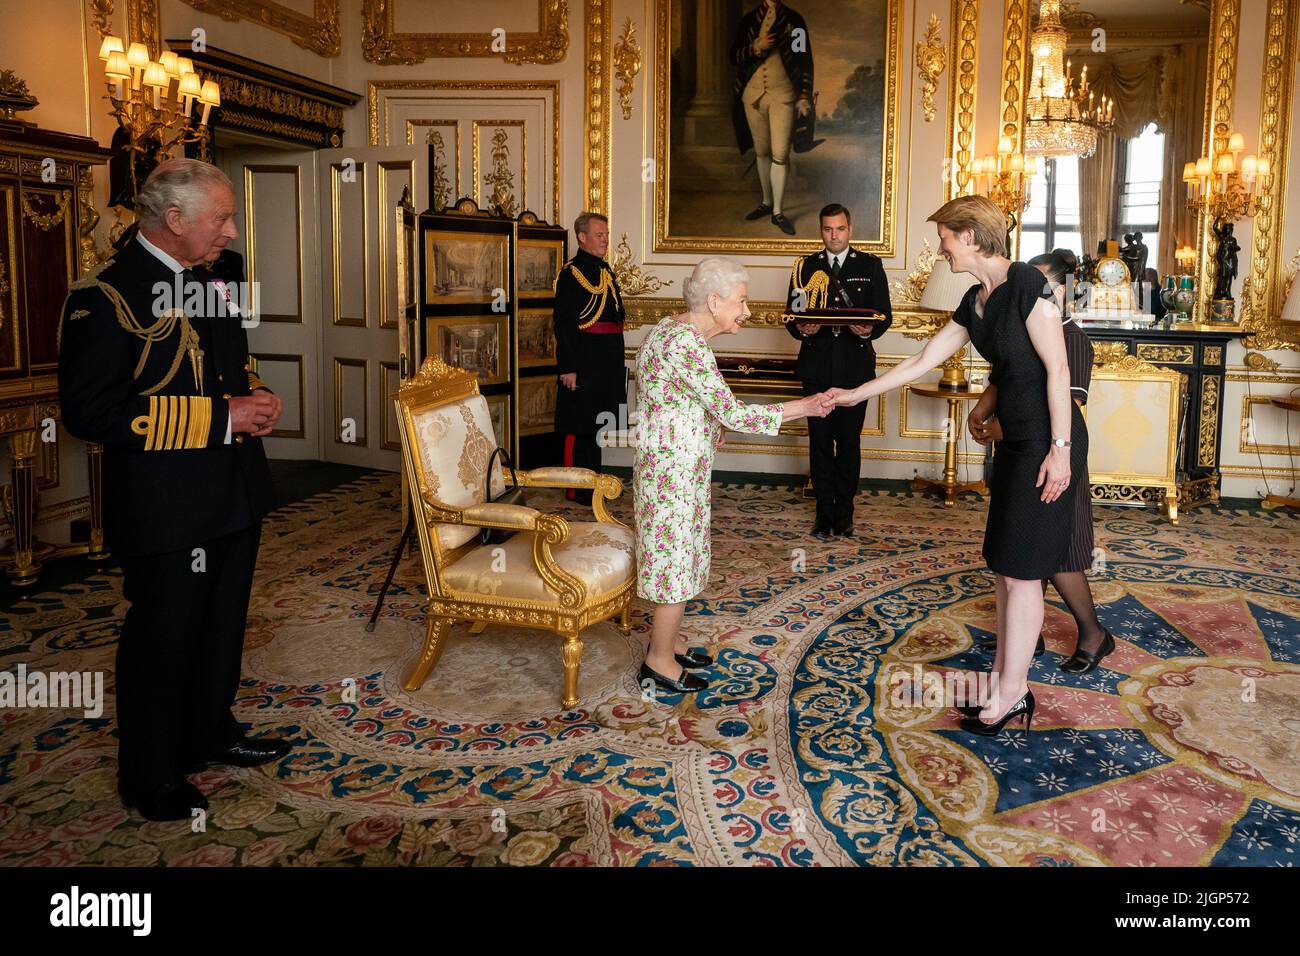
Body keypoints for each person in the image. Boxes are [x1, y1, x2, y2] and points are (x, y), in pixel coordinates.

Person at [58, 158, 288, 821]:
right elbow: (90, 412)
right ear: (175, 219)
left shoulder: (218, 275)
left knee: (222, 621)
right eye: (222, 218)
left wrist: (256, 397)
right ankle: (150, 772)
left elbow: (227, 359)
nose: (233, 230)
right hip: (165, 502)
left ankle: (210, 732)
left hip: (234, 486)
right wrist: (222, 417)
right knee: (163, 633)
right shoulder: (104, 295)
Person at [826, 196, 1088, 736]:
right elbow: (924, 359)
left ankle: (1014, 694)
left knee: (1023, 575)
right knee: (1004, 567)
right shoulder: (977, 298)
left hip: (1047, 440)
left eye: (945, 237)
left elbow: (1059, 370)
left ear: (970, 236)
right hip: (1014, 439)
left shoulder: (1027, 287)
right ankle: (1002, 681)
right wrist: (856, 393)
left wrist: (1060, 448)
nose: (940, 247)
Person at [634, 257, 831, 693]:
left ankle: (670, 639)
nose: (746, 312)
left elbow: (671, 401)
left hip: (670, 465)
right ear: (713, 300)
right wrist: (805, 406)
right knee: (674, 564)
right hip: (673, 473)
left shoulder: (670, 330)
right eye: (741, 302)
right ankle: (658, 660)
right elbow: (733, 412)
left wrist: (706, 428)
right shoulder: (686, 344)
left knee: (680, 554)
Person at [964, 248, 1114, 692]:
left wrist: (999, 429)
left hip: (1057, 454)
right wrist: (983, 409)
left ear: (1061, 290)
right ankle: (1026, 642)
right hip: (1022, 449)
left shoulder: (1073, 338)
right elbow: (1004, 376)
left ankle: (1093, 634)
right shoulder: (1022, 316)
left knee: (1063, 554)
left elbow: (1060, 406)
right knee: (1025, 557)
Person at [786, 203, 893, 537]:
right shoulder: (804, 267)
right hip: (817, 365)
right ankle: (823, 512)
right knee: (819, 441)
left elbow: (884, 315)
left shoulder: (870, 265)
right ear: (821, 230)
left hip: (854, 367)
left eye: (840, 229)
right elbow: (792, 315)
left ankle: (845, 512)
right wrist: (805, 329)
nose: (834, 235)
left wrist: (869, 331)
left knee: (848, 442)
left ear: (850, 229)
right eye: (828, 229)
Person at [554, 211, 625, 505]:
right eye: (599, 235)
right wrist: (568, 367)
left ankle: (594, 483)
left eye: (606, 235)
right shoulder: (571, 274)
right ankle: (575, 487)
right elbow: (564, 323)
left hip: (605, 362)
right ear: (582, 238)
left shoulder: (604, 270)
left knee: (597, 425)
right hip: (582, 362)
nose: (605, 240)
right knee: (578, 426)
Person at [730, 0, 815, 236]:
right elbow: (734, 56)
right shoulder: (748, 21)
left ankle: (778, 211)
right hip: (752, 95)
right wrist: (755, 46)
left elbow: (803, 59)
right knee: (761, 151)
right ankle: (766, 202)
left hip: (783, 94)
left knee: (780, 154)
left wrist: (804, 95)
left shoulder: (794, 21)